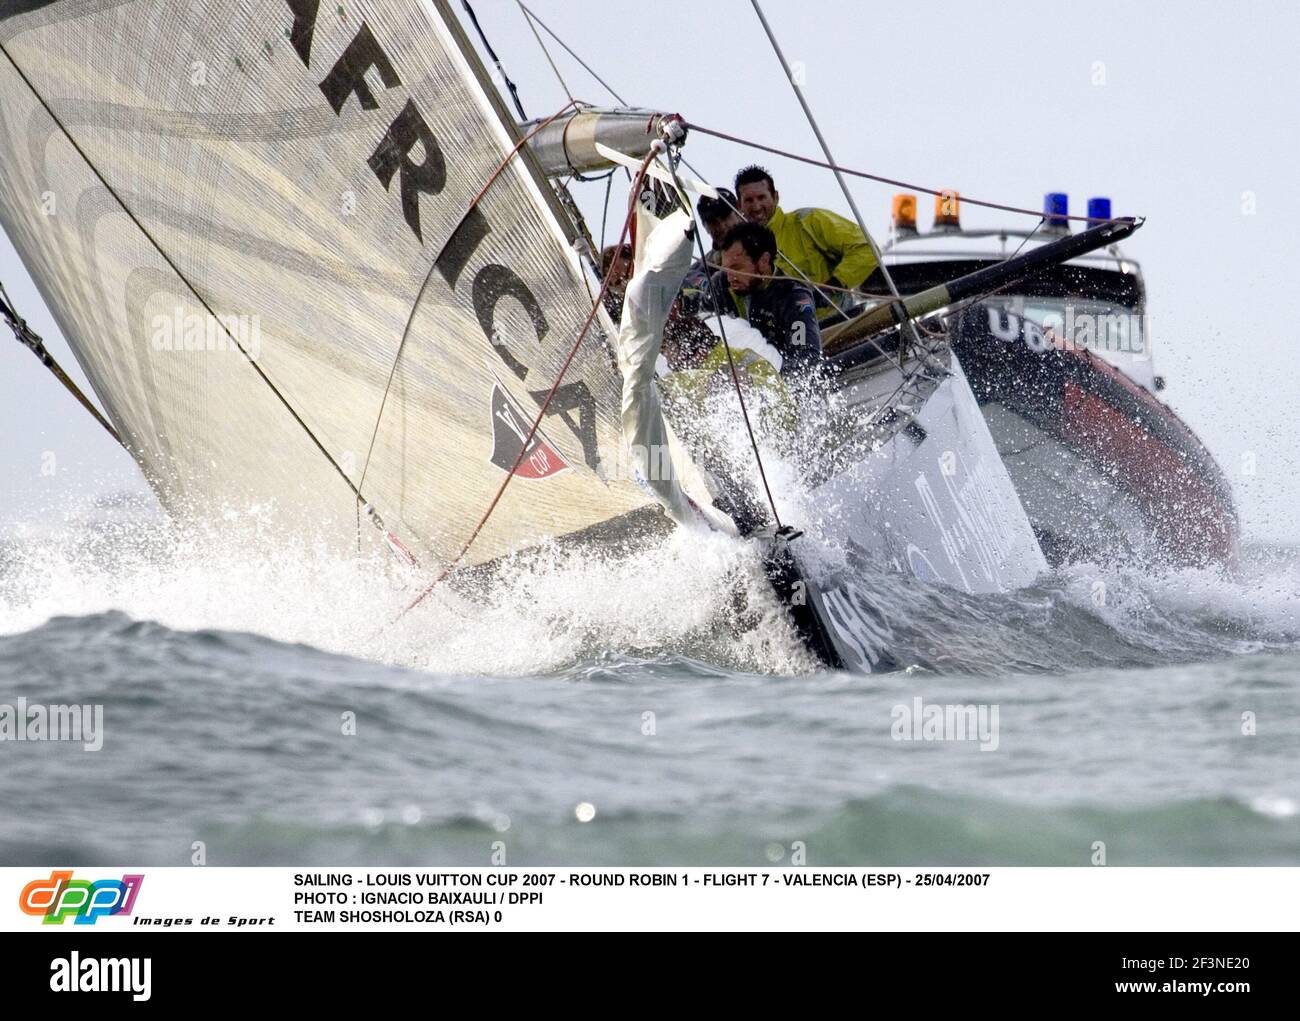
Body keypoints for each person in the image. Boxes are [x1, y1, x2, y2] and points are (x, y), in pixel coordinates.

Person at [734, 165, 879, 321]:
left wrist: (831, 287)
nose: (756, 207)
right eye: (749, 200)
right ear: (739, 205)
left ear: (775, 197)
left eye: (762, 198)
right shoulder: (735, 253)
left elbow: (867, 248)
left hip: (839, 324)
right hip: (783, 340)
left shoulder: (808, 221)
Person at [717, 221, 823, 379]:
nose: (730, 277)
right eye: (726, 270)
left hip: (775, 382)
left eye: (737, 268)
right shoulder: (722, 285)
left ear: (764, 261)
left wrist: (755, 378)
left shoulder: (794, 298)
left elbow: (805, 360)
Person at [681, 188, 742, 315]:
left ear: (739, 212)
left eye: (725, 217)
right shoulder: (699, 269)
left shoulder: (766, 243)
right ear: (705, 227)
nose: (722, 226)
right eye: (713, 222)